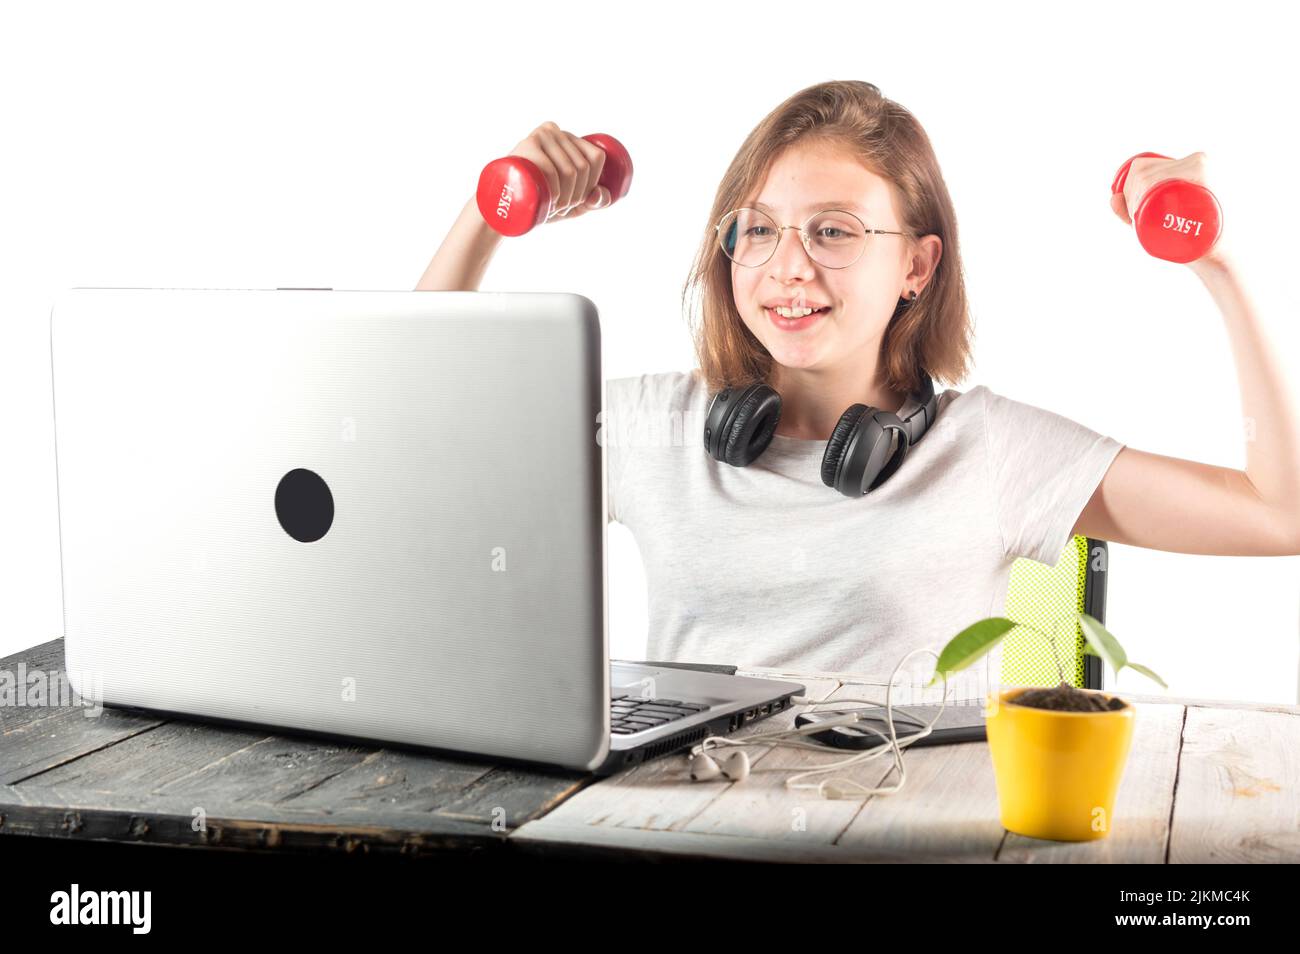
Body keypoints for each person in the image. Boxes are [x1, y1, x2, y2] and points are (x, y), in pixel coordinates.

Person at [415, 81, 1300, 699]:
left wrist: (1218, 265)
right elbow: (417, 439)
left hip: (909, 836)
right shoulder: (656, 426)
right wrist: (486, 217)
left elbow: (1280, 515)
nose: (786, 265)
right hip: (681, 833)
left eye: (833, 230)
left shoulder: (991, 453)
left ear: (917, 264)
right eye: (757, 230)